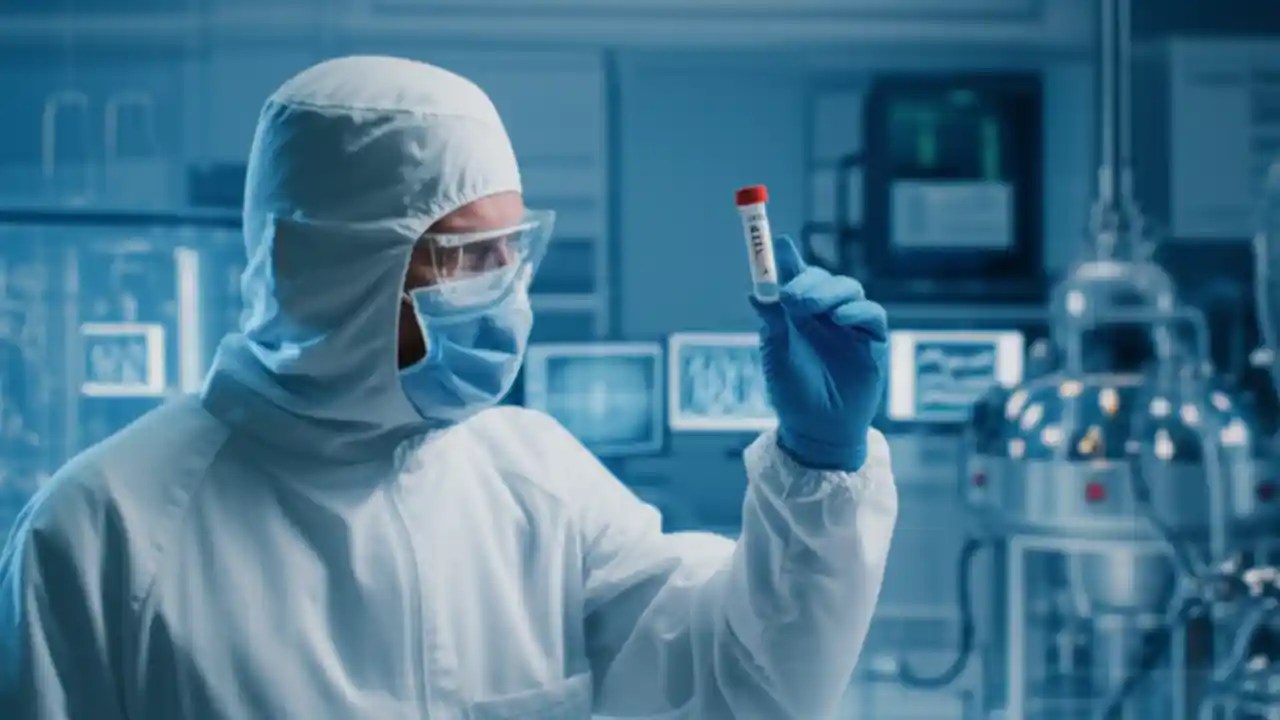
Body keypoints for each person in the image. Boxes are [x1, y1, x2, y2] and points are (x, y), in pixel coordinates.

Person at [0, 56, 897, 719]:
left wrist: (819, 465)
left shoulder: (535, 479)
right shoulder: (101, 536)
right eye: (469, 255)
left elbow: (741, 680)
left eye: (516, 247)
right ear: (337, 270)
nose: (508, 287)